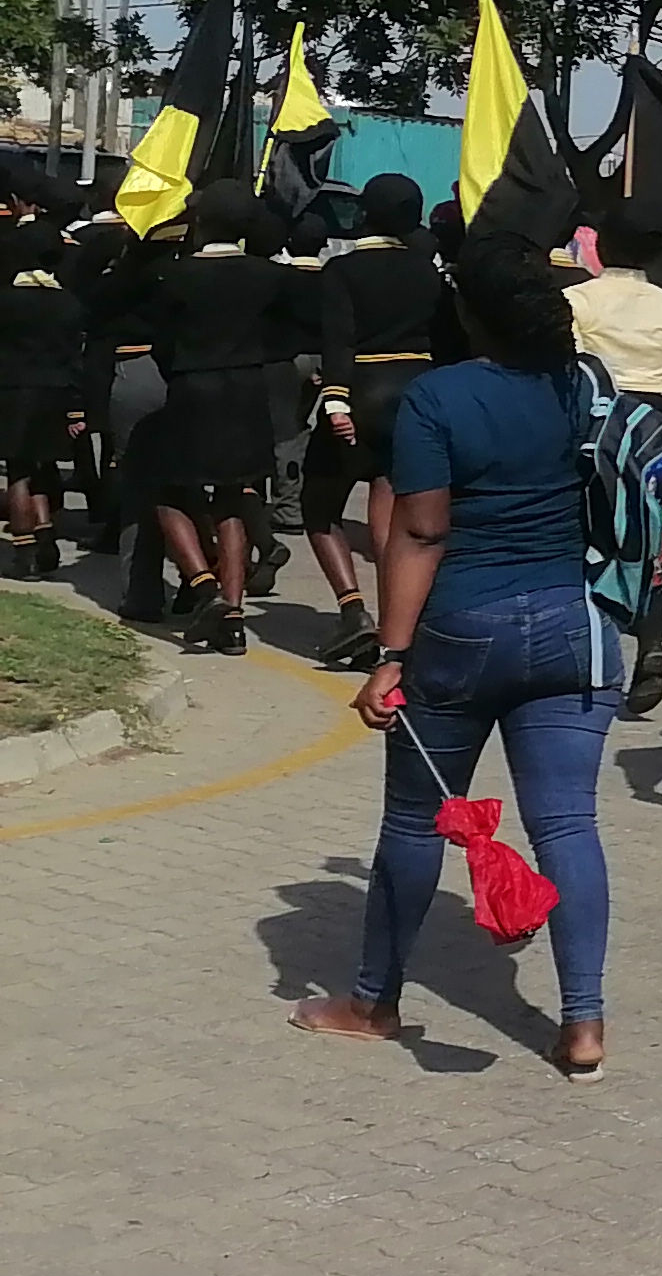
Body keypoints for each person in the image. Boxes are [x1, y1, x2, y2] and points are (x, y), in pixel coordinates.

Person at [287, 246, 628, 1079]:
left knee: (413, 822)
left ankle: (374, 1003)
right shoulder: (582, 384)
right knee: (568, 825)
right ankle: (583, 1021)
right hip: (572, 625)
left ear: (468, 314)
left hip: (463, 631)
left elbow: (422, 530)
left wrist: (391, 654)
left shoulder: (438, 396)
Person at [116, 187, 305, 657]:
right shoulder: (270, 275)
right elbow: (294, 329)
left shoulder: (175, 275)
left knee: (166, 488)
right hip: (247, 387)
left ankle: (203, 585)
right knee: (232, 495)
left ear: (201, 222)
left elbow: (160, 340)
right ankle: (234, 614)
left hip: (193, 384)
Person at [302, 171, 451, 670]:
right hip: (417, 394)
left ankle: (352, 610)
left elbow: (338, 339)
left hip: (362, 390)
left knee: (319, 507)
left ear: (365, 212)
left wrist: (335, 402)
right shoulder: (429, 273)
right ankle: (395, 629)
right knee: (390, 516)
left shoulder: (343, 270)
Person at [563, 205, 662, 719]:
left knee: (585, 540)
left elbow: (570, 366)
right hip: (657, 435)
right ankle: (652, 645)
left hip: (593, 430)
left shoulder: (576, 300)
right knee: (657, 547)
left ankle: (588, 654)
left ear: (600, 246)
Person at [0, 217, 85, 581]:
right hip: (56, 392)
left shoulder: (6, 300)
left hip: (13, 390)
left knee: (18, 472)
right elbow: (75, 358)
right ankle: (45, 534)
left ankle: (25, 552)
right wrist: (77, 408)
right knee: (42, 469)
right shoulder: (69, 303)